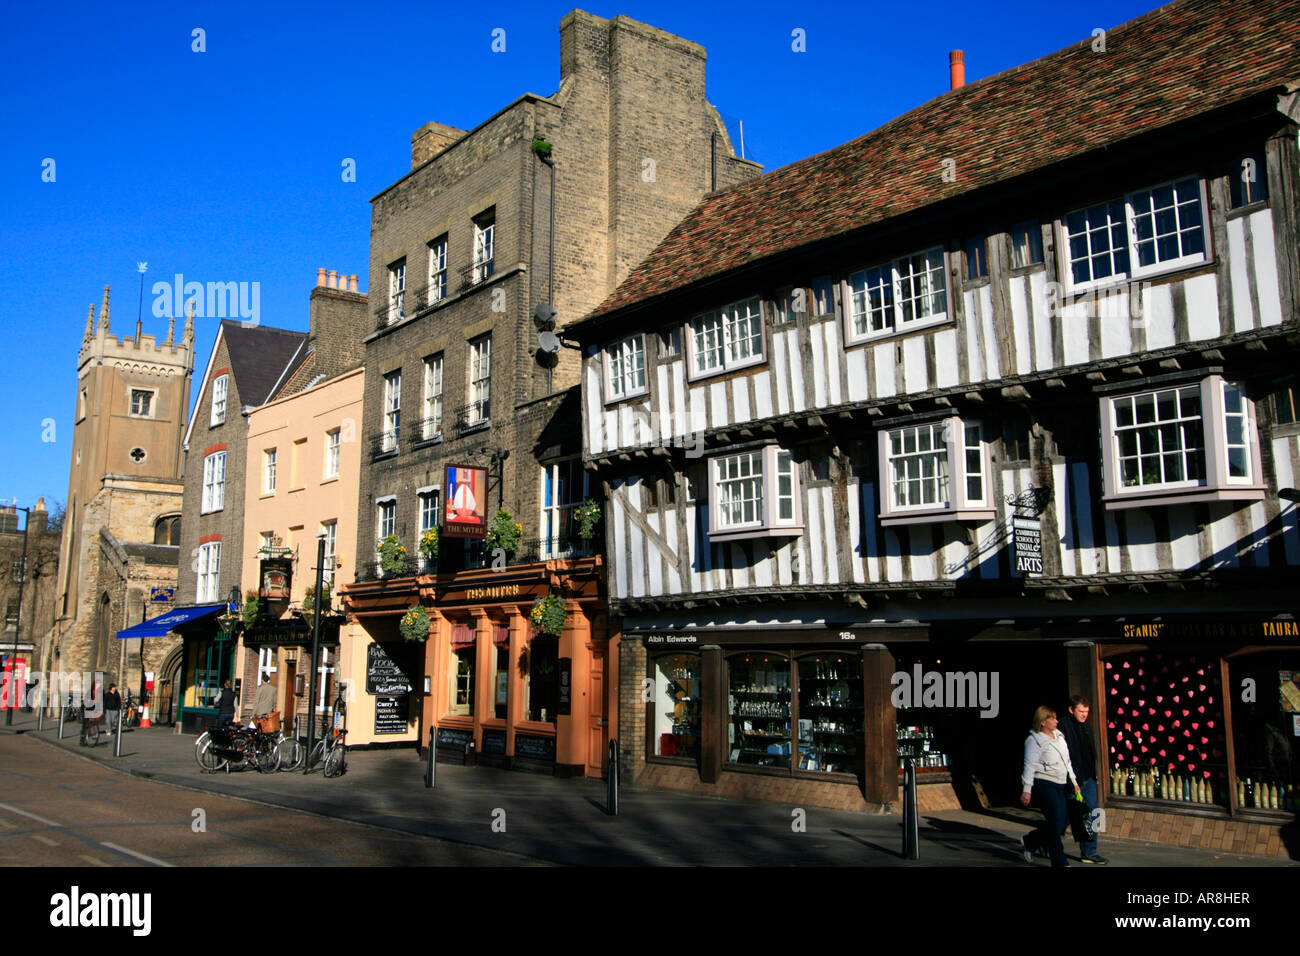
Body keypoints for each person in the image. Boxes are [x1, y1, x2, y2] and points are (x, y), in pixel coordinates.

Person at [1019, 705, 1080, 867]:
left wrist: (1074, 782)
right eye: (1051, 718)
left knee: (1062, 820)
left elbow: (1067, 762)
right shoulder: (1034, 740)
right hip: (1045, 783)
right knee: (1055, 820)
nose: (1056, 721)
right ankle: (1059, 860)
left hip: (1061, 783)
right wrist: (1027, 789)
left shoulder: (1059, 737)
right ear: (1042, 722)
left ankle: (1031, 840)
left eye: (1055, 717)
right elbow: (1029, 765)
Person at [1060, 694, 1108, 864]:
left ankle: (1089, 851)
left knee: (1093, 813)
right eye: (1081, 711)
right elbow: (1065, 757)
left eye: (1086, 711)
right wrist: (1072, 780)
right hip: (1072, 780)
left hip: (1087, 778)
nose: (1084, 715)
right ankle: (1038, 841)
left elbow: (1089, 752)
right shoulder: (1063, 727)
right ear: (1071, 710)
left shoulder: (1086, 726)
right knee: (1064, 818)